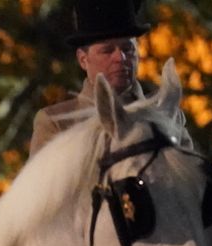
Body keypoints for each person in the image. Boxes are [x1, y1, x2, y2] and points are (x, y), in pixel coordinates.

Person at [29, 0, 150, 156]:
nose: (120, 58)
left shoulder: (165, 114)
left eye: (128, 49)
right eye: (107, 50)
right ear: (83, 59)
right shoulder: (57, 123)